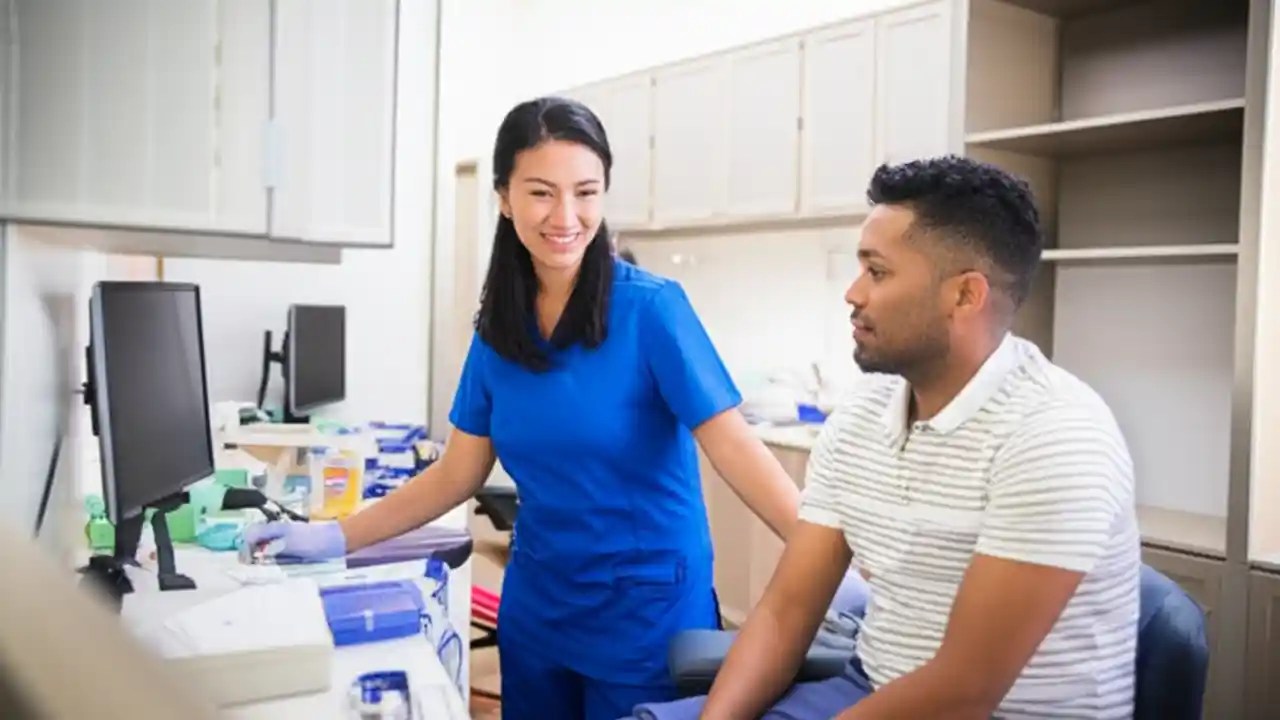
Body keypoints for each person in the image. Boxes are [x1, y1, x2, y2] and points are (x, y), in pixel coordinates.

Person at [241, 96, 802, 720]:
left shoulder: (653, 311)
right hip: (540, 606)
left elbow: (739, 454)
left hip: (645, 617)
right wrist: (333, 537)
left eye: (586, 193)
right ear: (505, 197)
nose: (566, 216)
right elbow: (458, 474)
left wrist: (830, 563)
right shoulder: (498, 329)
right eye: (541, 193)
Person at [632, 156, 1141, 719]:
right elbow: (785, 611)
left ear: (965, 296)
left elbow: (964, 690)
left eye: (877, 272)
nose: (852, 293)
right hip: (867, 687)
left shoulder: (1055, 435)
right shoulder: (862, 416)